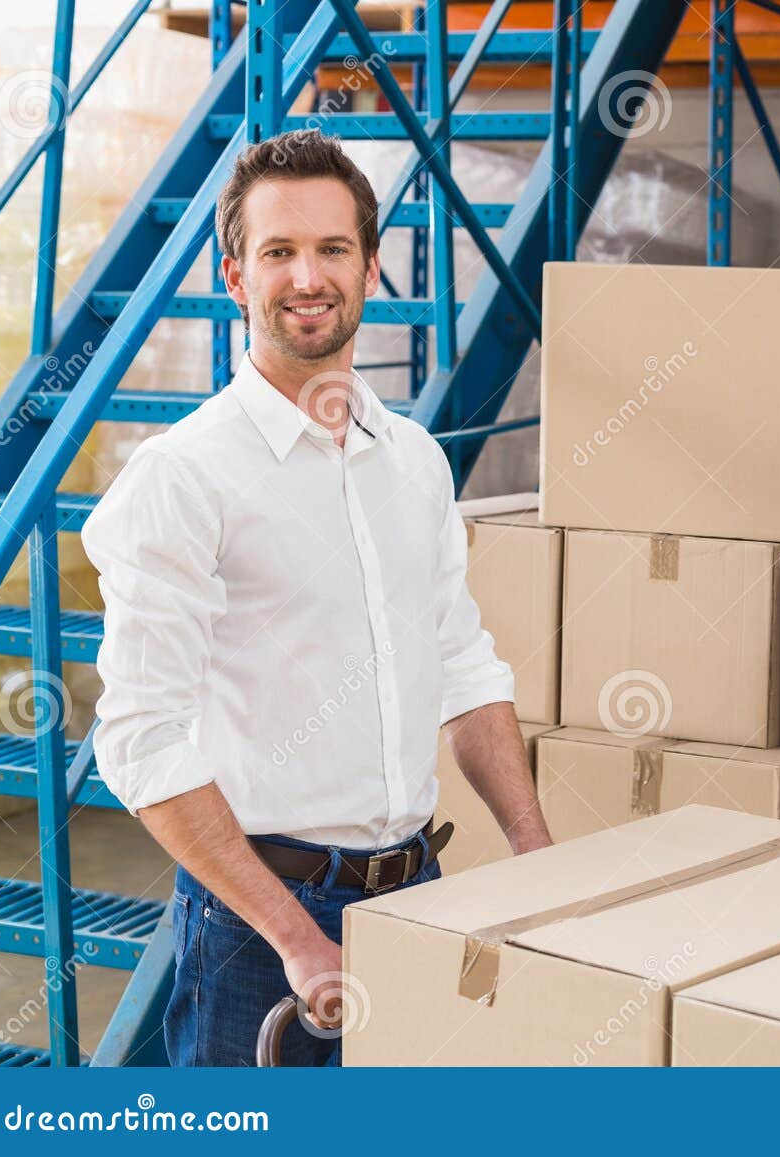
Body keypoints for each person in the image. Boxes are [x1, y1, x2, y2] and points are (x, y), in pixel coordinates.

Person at [82, 128, 551, 1067]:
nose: (309, 276)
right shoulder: (183, 479)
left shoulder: (412, 459)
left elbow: (461, 659)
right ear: (235, 275)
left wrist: (539, 852)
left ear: (370, 266)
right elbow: (140, 741)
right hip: (263, 929)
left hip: (421, 891)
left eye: (333, 248)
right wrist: (296, 937)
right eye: (279, 251)